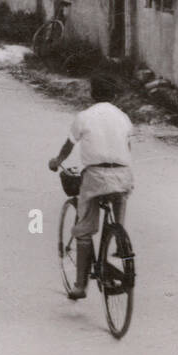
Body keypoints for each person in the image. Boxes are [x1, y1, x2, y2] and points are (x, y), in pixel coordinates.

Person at [48, 75, 135, 300]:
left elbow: (68, 146)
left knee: (84, 230)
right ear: (114, 95)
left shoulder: (84, 117)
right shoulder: (123, 117)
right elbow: (127, 147)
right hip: (123, 174)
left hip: (95, 176)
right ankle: (119, 238)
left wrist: (57, 161)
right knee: (120, 197)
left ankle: (80, 286)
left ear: (91, 94)